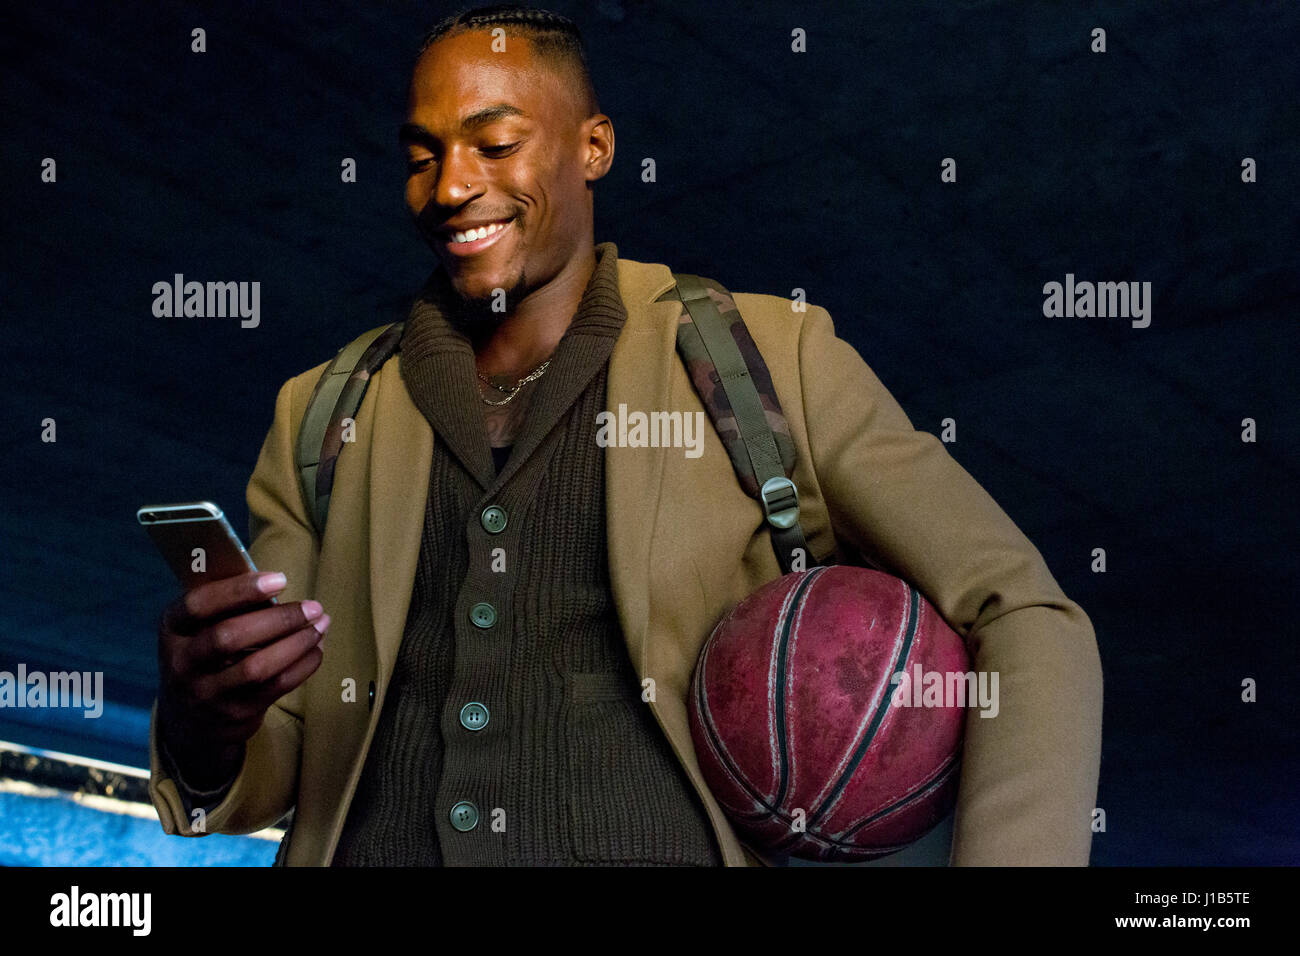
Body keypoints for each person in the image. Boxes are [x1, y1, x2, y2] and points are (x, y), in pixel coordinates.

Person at [149, 4, 1102, 866]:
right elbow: (260, 779)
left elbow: (1026, 615)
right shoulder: (322, 412)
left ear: (594, 147)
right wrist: (204, 720)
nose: (449, 188)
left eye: (495, 143)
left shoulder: (764, 355)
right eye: (421, 156)